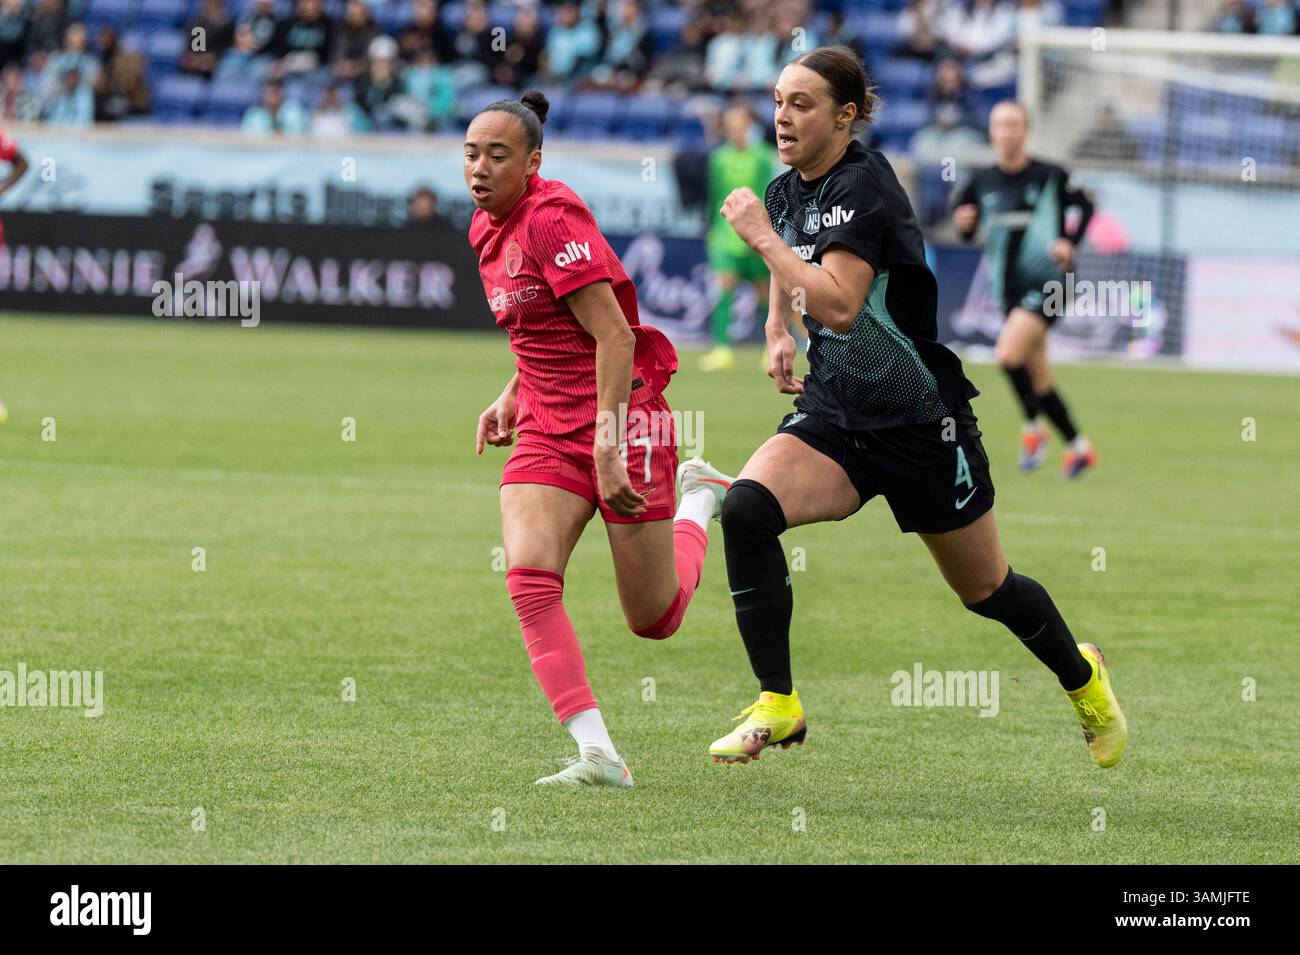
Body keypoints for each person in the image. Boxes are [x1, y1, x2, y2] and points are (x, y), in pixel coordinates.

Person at [711, 47, 1125, 768]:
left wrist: (760, 239)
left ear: (845, 116)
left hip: (921, 422)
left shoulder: (866, 187)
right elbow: (792, 259)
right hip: (837, 412)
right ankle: (778, 701)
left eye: (802, 103)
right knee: (746, 509)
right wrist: (777, 327)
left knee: (987, 588)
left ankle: (1082, 676)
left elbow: (838, 304)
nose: (782, 115)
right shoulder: (783, 193)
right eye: (778, 99)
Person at [466, 91, 736, 788]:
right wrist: (510, 394)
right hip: (548, 429)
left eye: (498, 154)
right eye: (471, 152)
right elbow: (543, 334)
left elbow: (614, 335)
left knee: (654, 619)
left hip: (626, 420)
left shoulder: (552, 219)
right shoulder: (483, 229)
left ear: (533, 163)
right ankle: (598, 753)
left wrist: (610, 442)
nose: (480, 167)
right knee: (528, 575)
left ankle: (700, 501)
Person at [951, 101, 1097, 476]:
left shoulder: (1051, 175)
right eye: (1000, 125)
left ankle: (1033, 428)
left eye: (1014, 125)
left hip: (1052, 283)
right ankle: (1079, 448)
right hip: (1009, 291)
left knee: (1007, 356)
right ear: (992, 132)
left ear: (1026, 131)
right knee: (1039, 379)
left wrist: (1070, 241)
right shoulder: (980, 181)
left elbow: (1086, 206)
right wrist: (964, 224)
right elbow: (965, 225)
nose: (1007, 132)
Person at [701, 102, 778, 372]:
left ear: (749, 125)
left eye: (740, 123)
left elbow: (768, 194)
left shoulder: (762, 157)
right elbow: (713, 197)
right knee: (723, 289)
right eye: (731, 124)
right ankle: (722, 348)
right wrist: (711, 228)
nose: (735, 129)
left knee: (764, 294)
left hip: (755, 234)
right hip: (725, 233)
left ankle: (770, 347)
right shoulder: (718, 158)